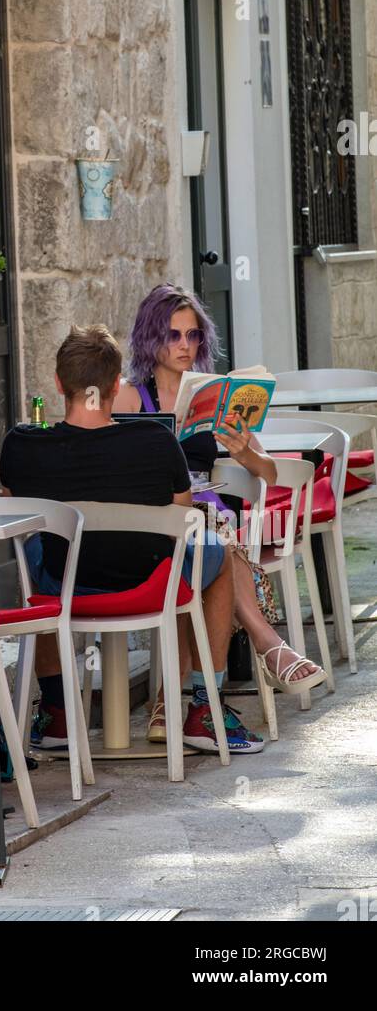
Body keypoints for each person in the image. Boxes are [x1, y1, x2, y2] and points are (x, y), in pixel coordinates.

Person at [0, 324, 263, 756]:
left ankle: (58, 712)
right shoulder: (155, 440)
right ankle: (204, 709)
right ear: (116, 384)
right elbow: (180, 512)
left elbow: (15, 503)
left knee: (36, 548)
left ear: (59, 383)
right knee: (216, 553)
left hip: (68, 588)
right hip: (148, 588)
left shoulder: (21, 445)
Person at [115, 283, 326, 744]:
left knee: (211, 544)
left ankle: (171, 702)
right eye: (173, 335)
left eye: (193, 336)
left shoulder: (218, 396)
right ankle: (267, 643)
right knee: (209, 547)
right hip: (152, 520)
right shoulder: (130, 398)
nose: (185, 346)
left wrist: (242, 452)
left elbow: (270, 471)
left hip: (206, 516)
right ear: (151, 337)